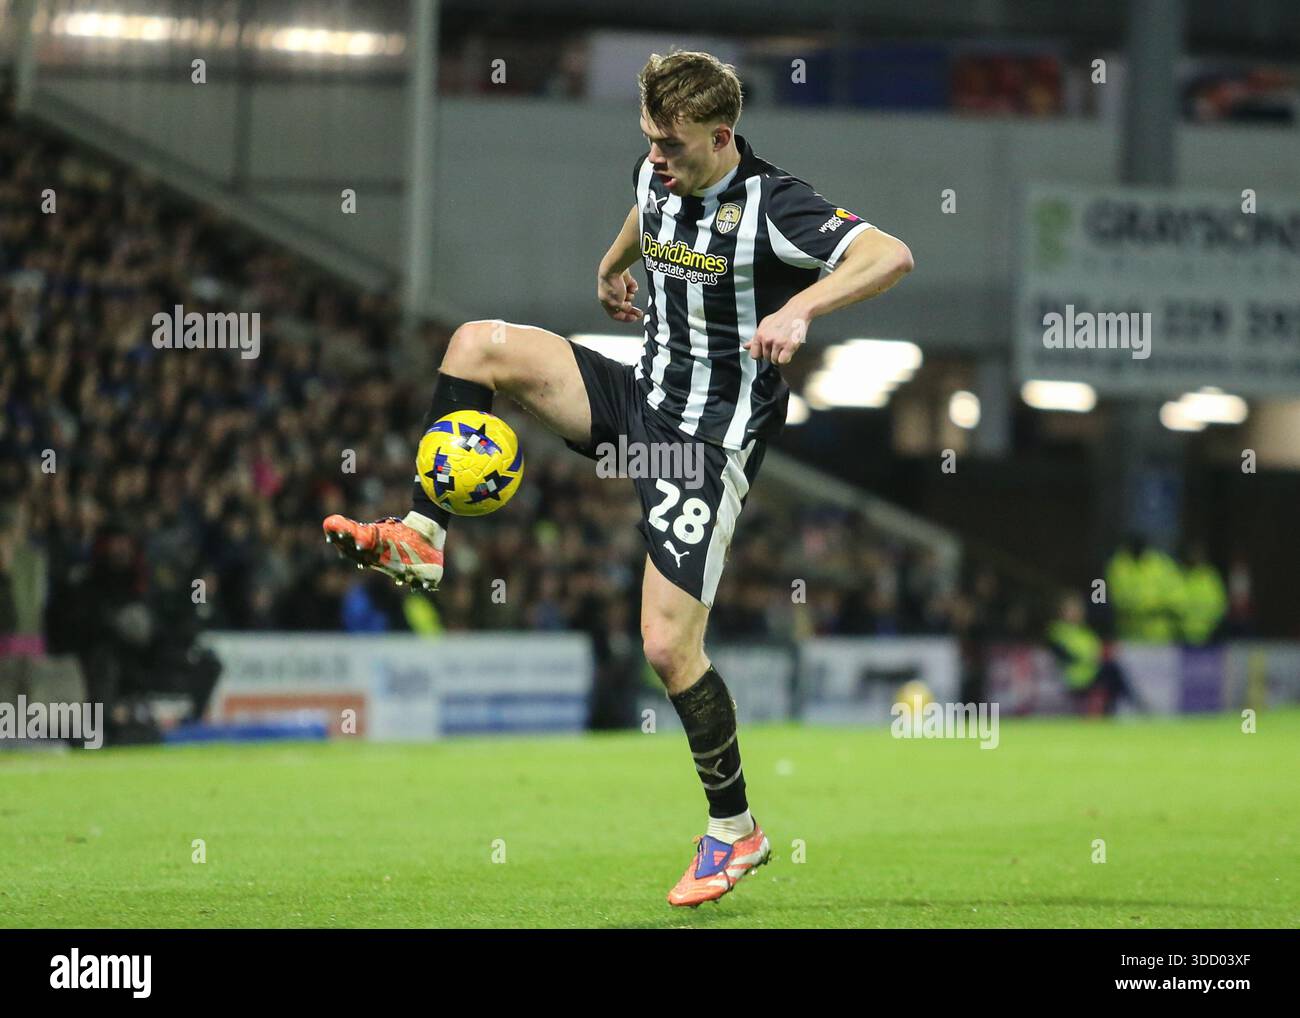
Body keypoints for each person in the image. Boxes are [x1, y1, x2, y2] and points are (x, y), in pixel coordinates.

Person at [322, 50, 913, 906]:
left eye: (672, 144)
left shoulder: (775, 207)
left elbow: (892, 255)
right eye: (648, 140)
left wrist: (800, 306)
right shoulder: (657, 170)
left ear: (723, 135)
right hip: (637, 395)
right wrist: (610, 265)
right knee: (475, 346)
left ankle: (734, 832)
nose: (657, 157)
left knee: (669, 648)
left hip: (701, 444)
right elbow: (642, 206)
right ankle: (423, 536)